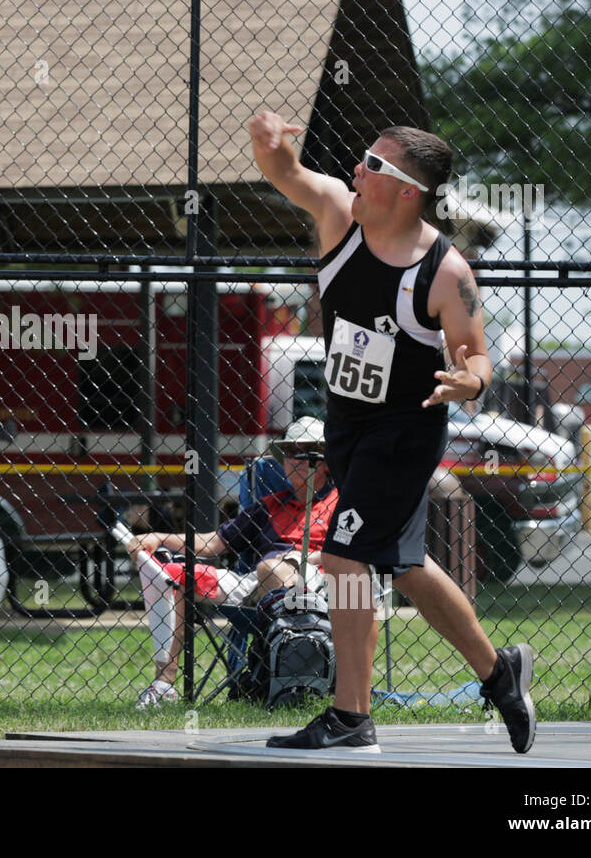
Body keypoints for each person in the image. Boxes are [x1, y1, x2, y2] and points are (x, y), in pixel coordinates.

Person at [246, 111, 534, 753]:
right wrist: (266, 142)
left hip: (405, 429)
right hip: (347, 423)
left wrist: (472, 382)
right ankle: (498, 671)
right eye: (361, 158)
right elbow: (286, 171)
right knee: (402, 565)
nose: (357, 168)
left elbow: (475, 355)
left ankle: (351, 716)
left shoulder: (445, 270)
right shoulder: (337, 214)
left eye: (373, 164)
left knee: (344, 556)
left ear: (408, 191)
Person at [122, 417, 338, 708]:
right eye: (288, 451)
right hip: (259, 584)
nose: (293, 458)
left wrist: (298, 559)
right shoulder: (269, 506)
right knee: (177, 576)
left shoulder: (341, 502)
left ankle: (275, 671)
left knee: (270, 567)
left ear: (325, 461)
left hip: (322, 586)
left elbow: (353, 552)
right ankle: (164, 683)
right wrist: (157, 538)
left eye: (305, 450)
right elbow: (213, 543)